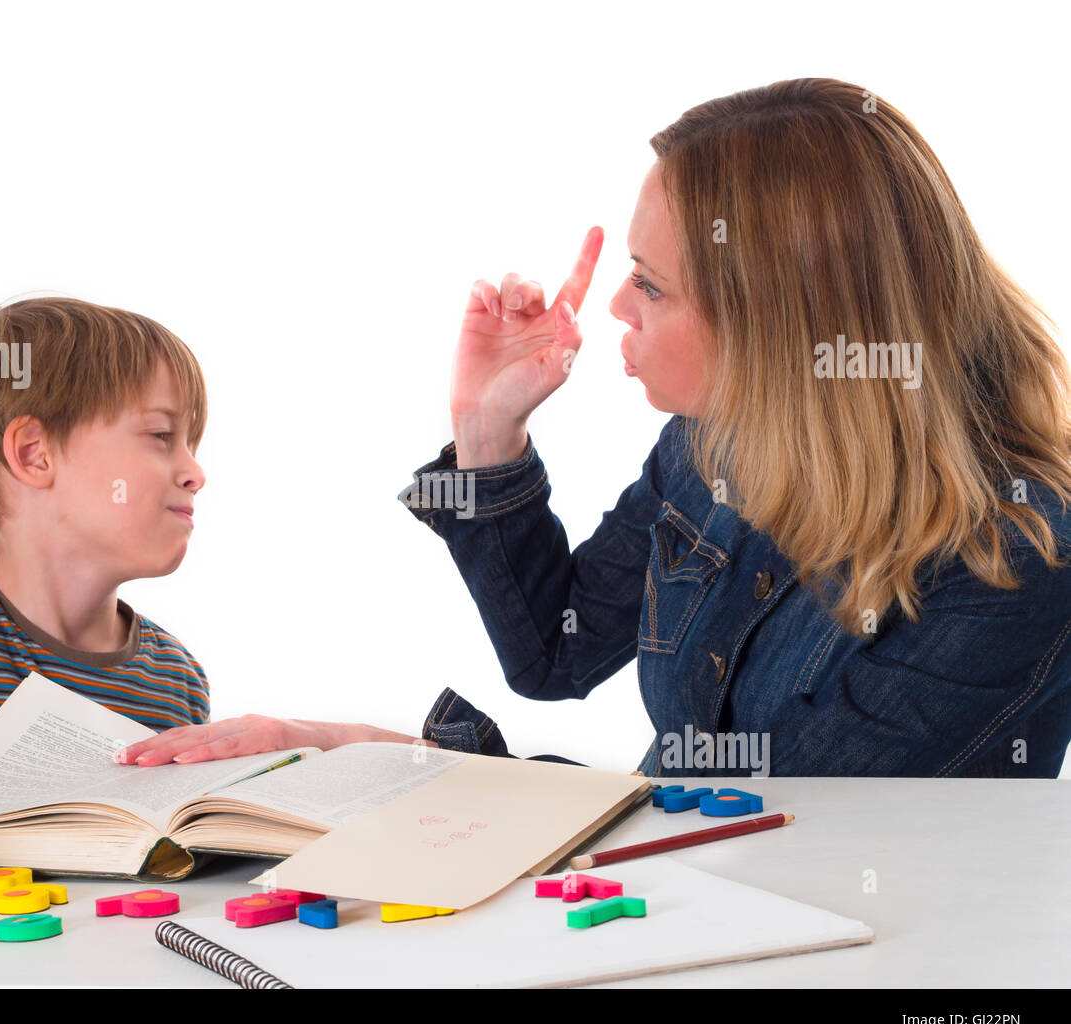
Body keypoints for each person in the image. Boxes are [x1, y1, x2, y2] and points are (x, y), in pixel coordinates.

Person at [398, 77, 1071, 778]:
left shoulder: (1017, 560)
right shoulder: (710, 447)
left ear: (778, 328)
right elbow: (555, 656)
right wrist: (486, 432)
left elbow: (775, 827)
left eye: (651, 285)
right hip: (669, 876)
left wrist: (446, 776)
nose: (618, 306)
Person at [0, 297, 418, 806]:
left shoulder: (177, 679)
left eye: (191, 442)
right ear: (34, 454)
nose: (194, 471)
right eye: (162, 435)